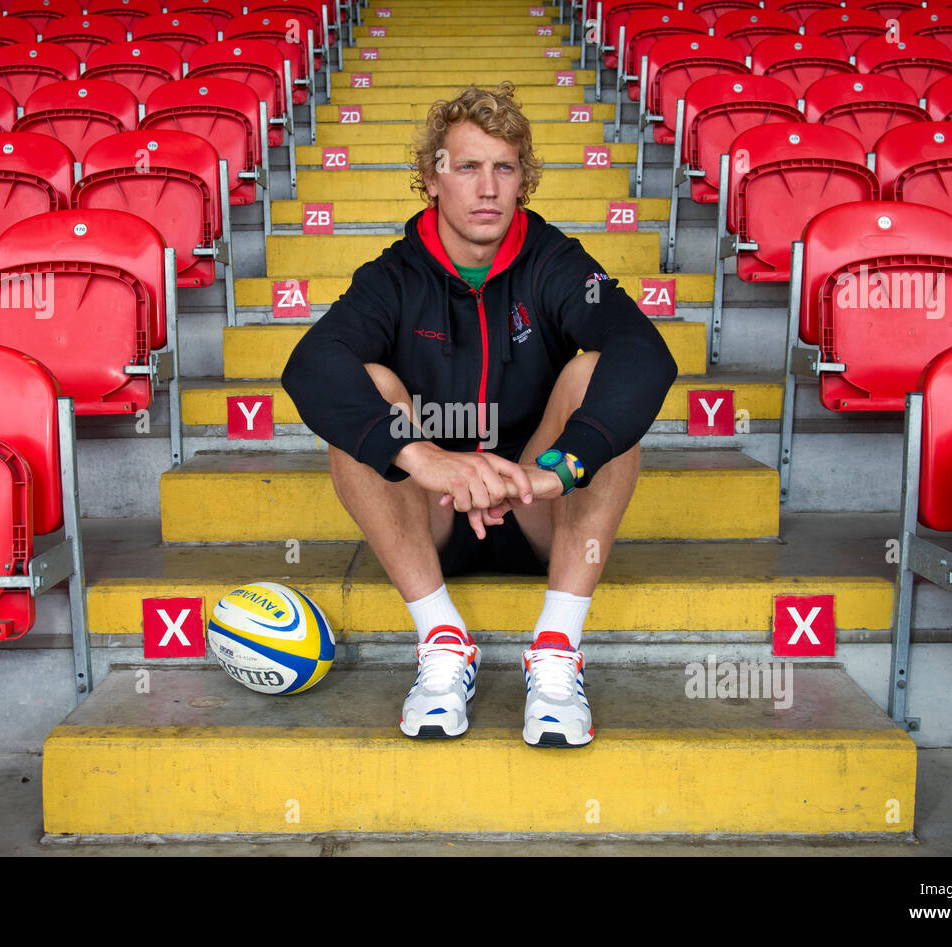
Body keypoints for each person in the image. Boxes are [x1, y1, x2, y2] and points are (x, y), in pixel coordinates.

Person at [281, 83, 677, 746]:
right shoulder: (394, 275)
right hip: (427, 512)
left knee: (596, 373)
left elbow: (646, 351)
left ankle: (555, 651)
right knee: (366, 383)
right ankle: (443, 641)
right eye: (467, 167)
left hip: (539, 504)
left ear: (523, 180)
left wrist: (560, 466)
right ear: (432, 179)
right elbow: (310, 363)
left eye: (504, 167)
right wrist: (423, 456)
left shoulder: (555, 261)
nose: (488, 187)